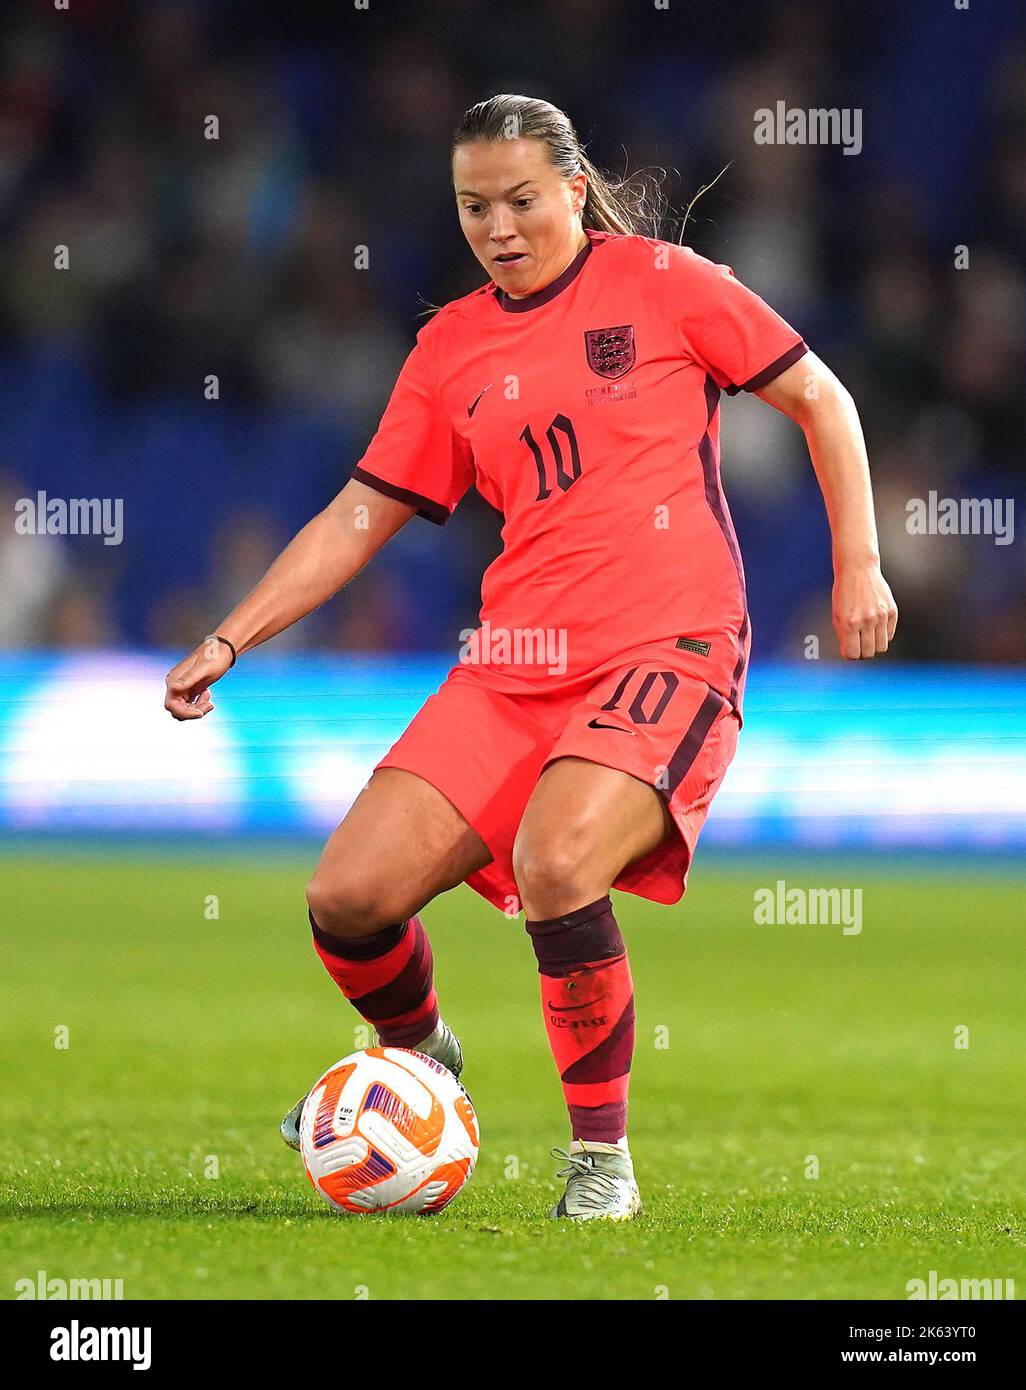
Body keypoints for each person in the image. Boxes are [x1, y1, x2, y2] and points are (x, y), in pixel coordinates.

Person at [165, 94, 898, 1222]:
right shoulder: (450, 345)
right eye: (473, 206)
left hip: (671, 639)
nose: (499, 225)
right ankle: (422, 1064)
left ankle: (602, 1161)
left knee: (560, 862)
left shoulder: (664, 282)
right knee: (347, 897)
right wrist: (232, 635)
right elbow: (363, 514)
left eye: (519, 199)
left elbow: (820, 396)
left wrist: (859, 562)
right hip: (515, 661)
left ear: (571, 186)